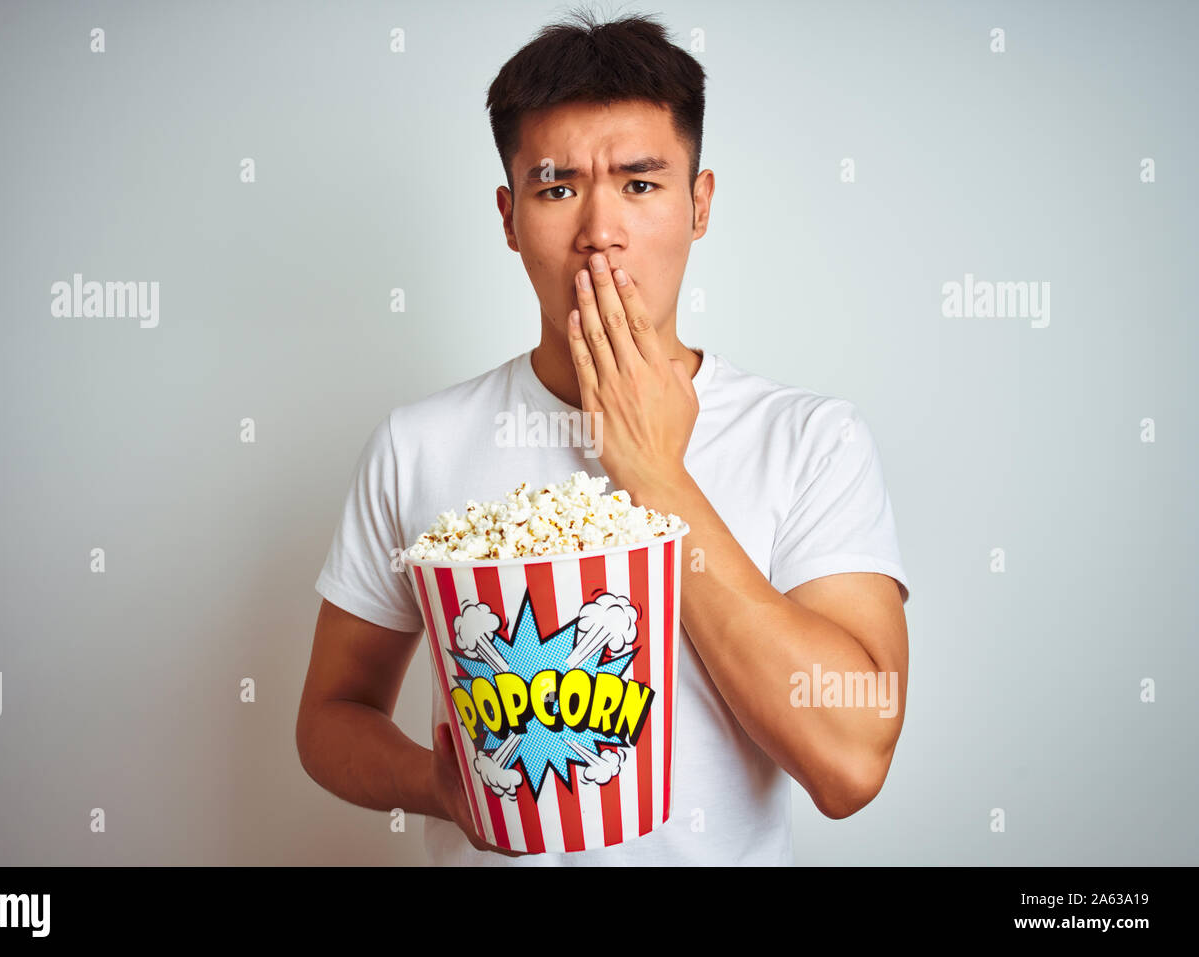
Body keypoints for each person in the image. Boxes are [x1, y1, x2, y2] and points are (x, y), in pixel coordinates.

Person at [296, 9, 910, 865]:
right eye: (557, 188)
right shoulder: (418, 445)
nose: (599, 231)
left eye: (640, 183)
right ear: (510, 218)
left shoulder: (810, 440)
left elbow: (851, 761)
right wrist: (441, 786)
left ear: (699, 206)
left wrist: (657, 476)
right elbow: (330, 715)